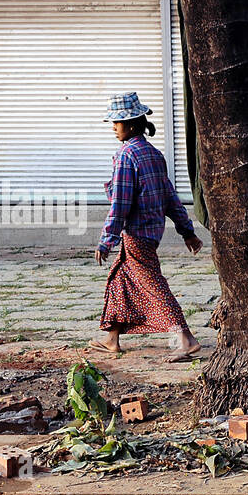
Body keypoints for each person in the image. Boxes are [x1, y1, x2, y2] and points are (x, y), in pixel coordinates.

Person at [91, 91, 205, 361]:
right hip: (151, 233)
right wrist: (186, 231)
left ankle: (185, 339)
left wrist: (107, 240)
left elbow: (120, 203)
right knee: (120, 280)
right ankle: (112, 338)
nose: (113, 129)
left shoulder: (126, 156)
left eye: (116, 124)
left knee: (153, 285)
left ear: (131, 124)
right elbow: (170, 197)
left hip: (136, 234)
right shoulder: (154, 155)